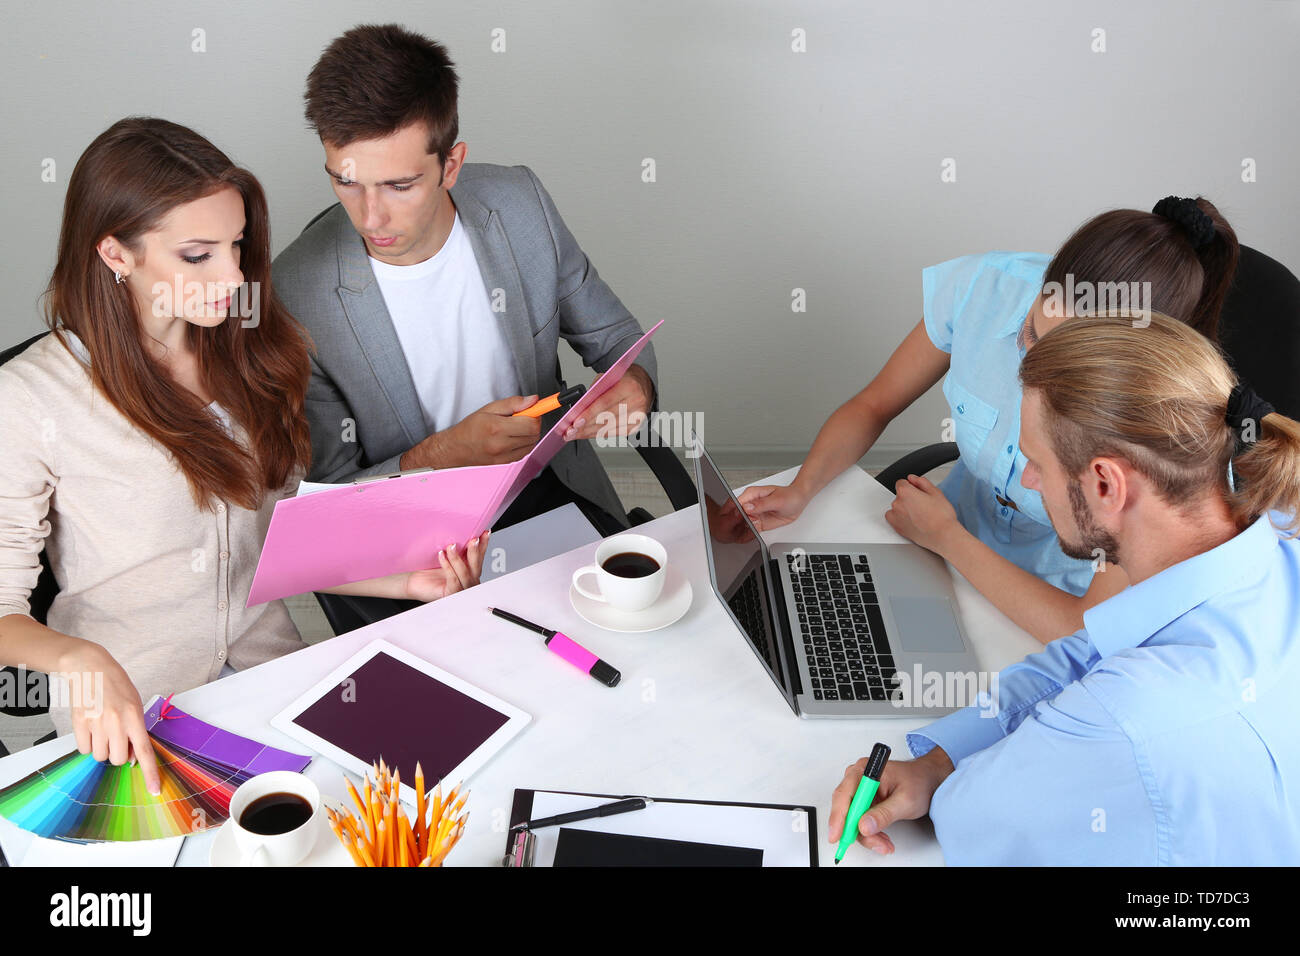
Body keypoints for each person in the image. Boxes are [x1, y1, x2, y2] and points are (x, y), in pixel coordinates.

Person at [0, 118, 487, 793]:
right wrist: (82, 660)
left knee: (436, 791)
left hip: (274, 683)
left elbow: (275, 540)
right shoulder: (29, 400)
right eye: (199, 255)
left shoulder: (250, 353)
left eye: (236, 246)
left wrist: (402, 580)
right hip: (134, 717)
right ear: (116, 254)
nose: (233, 277)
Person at [827, 311, 1300, 865]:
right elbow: (1095, 650)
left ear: (1105, 483)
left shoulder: (1124, 721)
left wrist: (946, 779)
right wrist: (938, 758)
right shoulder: (1277, 530)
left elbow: (967, 817)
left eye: (1036, 462)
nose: (1028, 481)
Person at [739, 197, 1241, 644]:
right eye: (1031, 331)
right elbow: (874, 404)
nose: (1027, 362)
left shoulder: (1163, 436)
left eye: (1056, 364)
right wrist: (801, 489)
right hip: (933, 550)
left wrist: (948, 538)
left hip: (1042, 610)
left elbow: (1086, 631)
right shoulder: (989, 288)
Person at [273, 24, 657, 544]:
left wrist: (637, 386)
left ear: (451, 165)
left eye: (399, 185)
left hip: (555, 491)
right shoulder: (295, 292)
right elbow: (330, 497)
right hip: (413, 539)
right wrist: (440, 456)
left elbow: (618, 340)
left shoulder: (522, 204)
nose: (370, 218)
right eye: (346, 182)